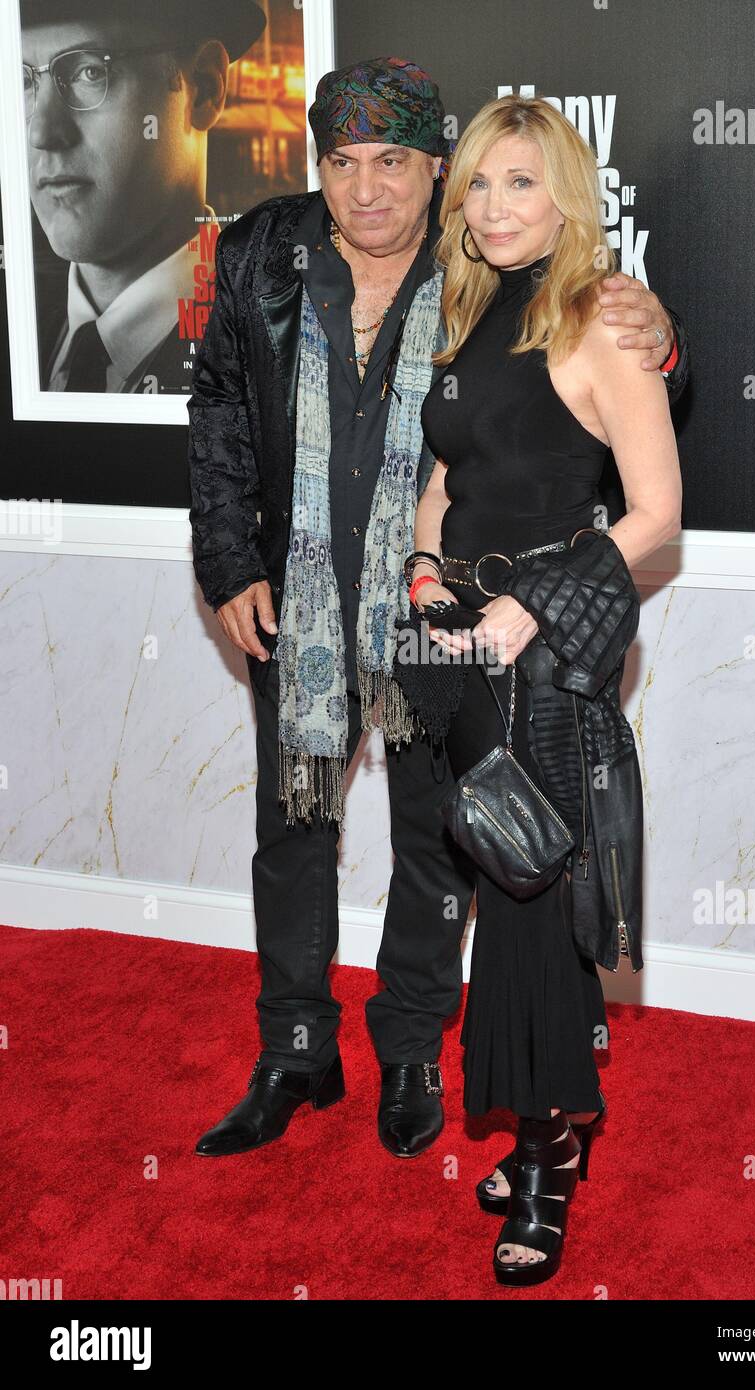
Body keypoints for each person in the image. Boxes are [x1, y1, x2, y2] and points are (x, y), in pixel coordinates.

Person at [187, 57, 690, 1164]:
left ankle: (411, 1049)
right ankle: (294, 1049)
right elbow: (220, 407)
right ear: (319, 166)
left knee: (437, 844)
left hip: (438, 616)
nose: (366, 189)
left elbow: (595, 379)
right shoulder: (263, 252)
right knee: (296, 828)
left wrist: (660, 330)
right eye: (341, 160)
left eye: (394, 163)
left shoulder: (477, 268)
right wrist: (228, 563)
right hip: (303, 602)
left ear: (434, 172)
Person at [410, 94, 682, 1284]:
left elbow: (657, 515)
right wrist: (425, 566)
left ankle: (552, 1154)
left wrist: (538, 602)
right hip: (458, 651)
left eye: (520, 182)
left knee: (534, 900)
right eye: (476, 185)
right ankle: (536, 1121)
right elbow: (443, 473)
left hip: (550, 649)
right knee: (492, 878)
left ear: (568, 195)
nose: (493, 205)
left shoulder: (600, 322)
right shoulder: (464, 323)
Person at [21, 0, 265, 394]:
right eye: (22, 82)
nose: (41, 133)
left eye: (89, 71)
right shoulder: (21, 327)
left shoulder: (275, 338)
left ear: (204, 87)